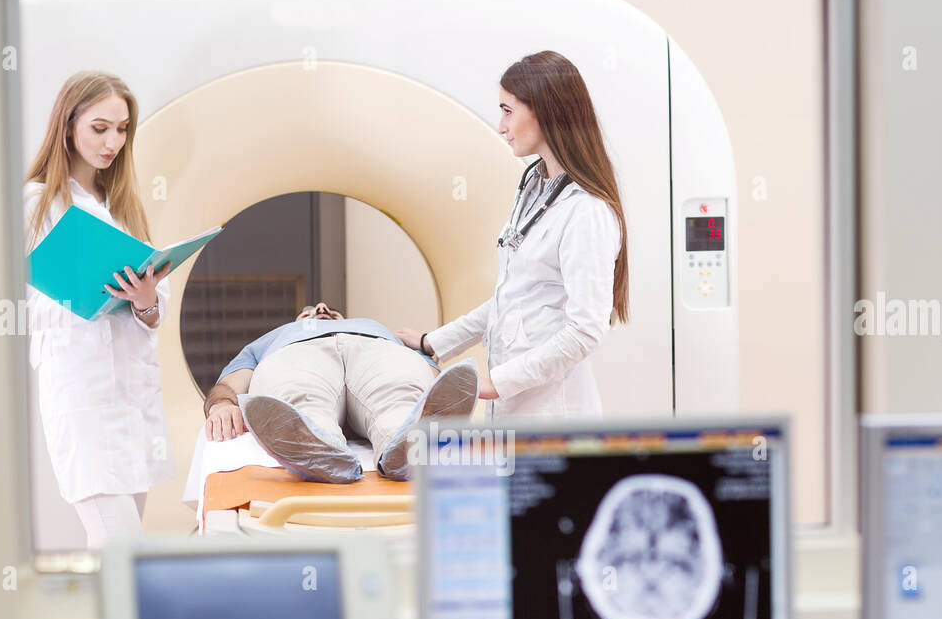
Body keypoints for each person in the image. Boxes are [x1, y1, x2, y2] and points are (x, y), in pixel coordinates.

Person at [396, 50, 629, 419]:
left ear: (546, 111)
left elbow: (586, 331)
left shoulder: (586, 211)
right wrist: (434, 342)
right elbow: (511, 298)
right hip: (512, 409)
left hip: (554, 416)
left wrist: (496, 383)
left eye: (508, 111)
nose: (500, 126)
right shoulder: (535, 187)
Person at [23, 71, 174, 548]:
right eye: (100, 128)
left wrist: (145, 301)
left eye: (123, 128)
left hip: (133, 401)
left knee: (120, 558)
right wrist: (94, 296)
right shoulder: (38, 203)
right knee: (119, 547)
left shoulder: (122, 205)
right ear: (68, 126)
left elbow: (153, 312)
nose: (113, 141)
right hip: (83, 397)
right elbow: (24, 307)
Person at [202, 302, 479, 483]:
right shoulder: (271, 339)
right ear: (297, 320)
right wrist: (221, 405)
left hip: (376, 350)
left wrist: (440, 394)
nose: (322, 307)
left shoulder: (378, 328)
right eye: (310, 310)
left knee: (401, 397)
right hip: (297, 354)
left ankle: (406, 443)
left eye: (331, 310)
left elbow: (429, 375)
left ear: (345, 318)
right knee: (299, 398)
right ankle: (318, 446)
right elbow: (228, 385)